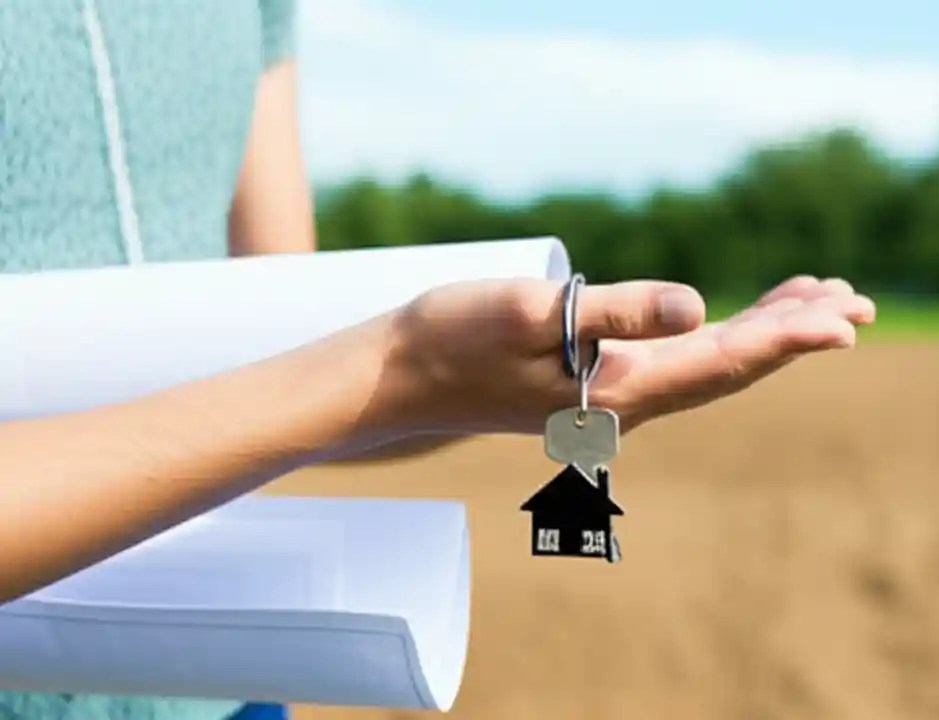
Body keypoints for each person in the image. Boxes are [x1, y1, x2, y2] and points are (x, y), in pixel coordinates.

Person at [0, 2, 876, 720]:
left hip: (225, 689)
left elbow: (286, 377)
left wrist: (474, 385)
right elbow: (326, 384)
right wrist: (397, 367)